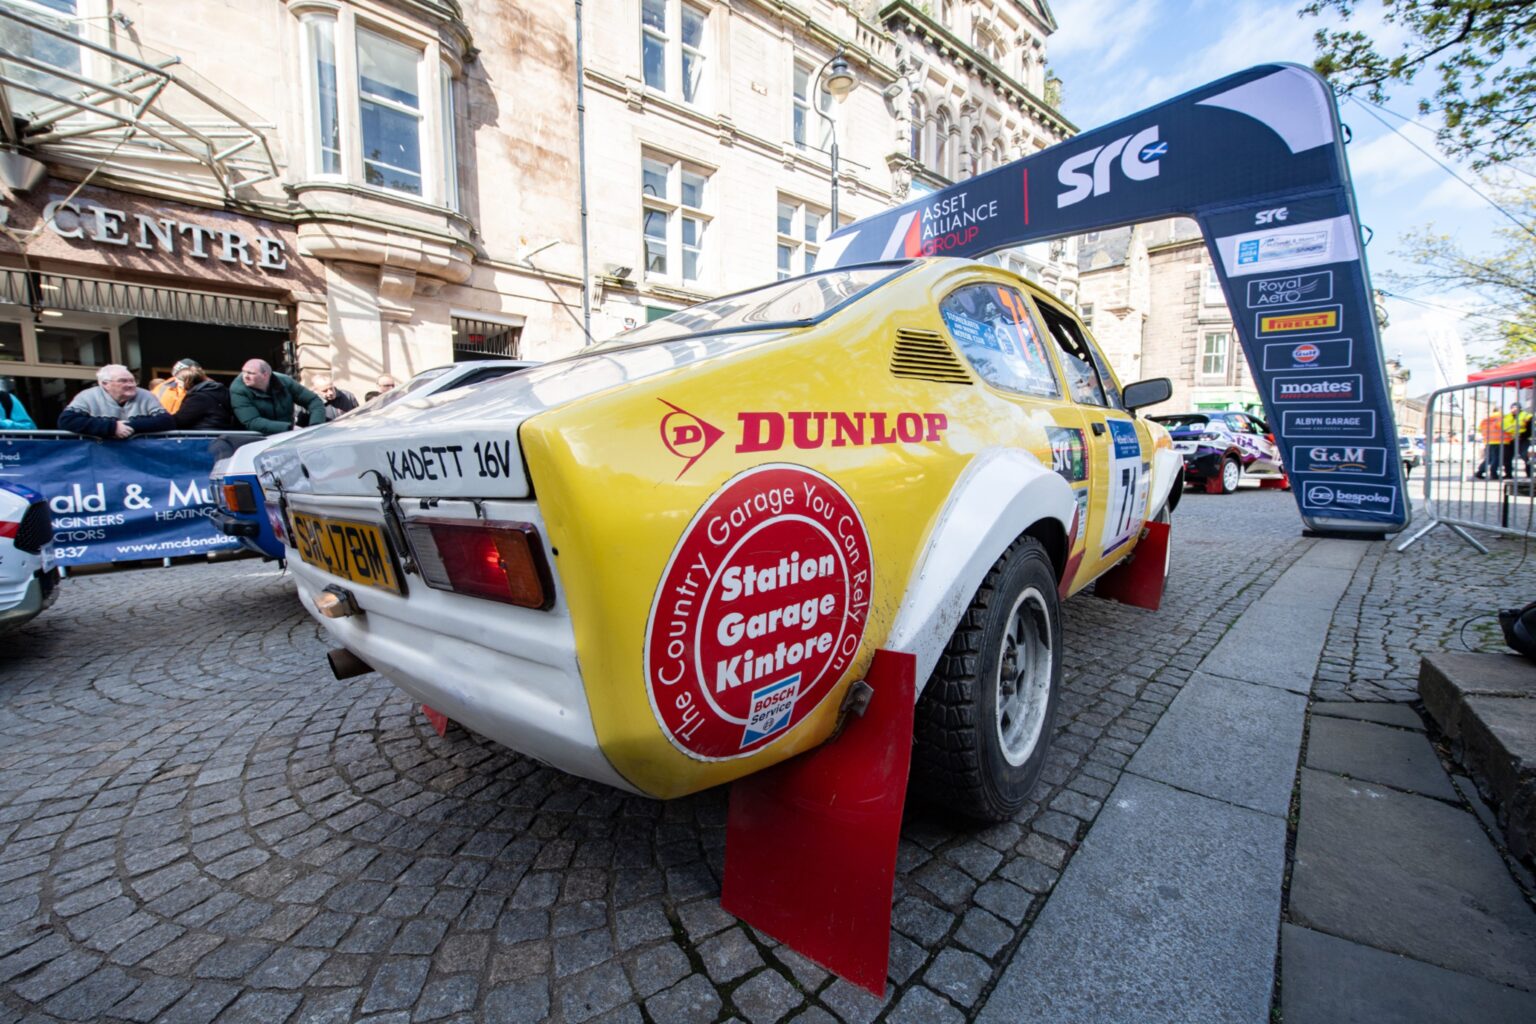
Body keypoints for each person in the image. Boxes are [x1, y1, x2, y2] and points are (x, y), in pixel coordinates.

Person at [58, 365, 174, 439]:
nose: (131, 385)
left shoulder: (145, 395)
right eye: (123, 381)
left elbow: (166, 421)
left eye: (133, 380)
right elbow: (67, 421)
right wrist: (112, 428)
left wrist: (129, 427)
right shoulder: (87, 396)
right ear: (105, 384)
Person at [230, 359, 327, 435]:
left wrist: (315, 427)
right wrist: (289, 428)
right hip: (258, 440)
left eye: (251, 373)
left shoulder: (285, 381)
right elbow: (252, 421)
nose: (245, 376)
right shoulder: (238, 389)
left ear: (265, 375)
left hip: (287, 437)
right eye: (243, 371)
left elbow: (313, 401)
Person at [171, 364, 234, 430]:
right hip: (220, 431)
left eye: (178, 380)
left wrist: (164, 419)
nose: (176, 382)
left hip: (203, 433)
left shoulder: (197, 397)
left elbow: (181, 420)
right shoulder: (218, 389)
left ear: (187, 381)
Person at [1474, 409, 1509, 479]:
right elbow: (1507, 428)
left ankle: (1480, 472)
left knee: (1489, 458)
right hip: (1499, 441)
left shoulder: (1485, 420)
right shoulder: (1502, 419)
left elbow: (1479, 429)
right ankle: (1493, 473)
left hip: (1488, 441)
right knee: (1497, 458)